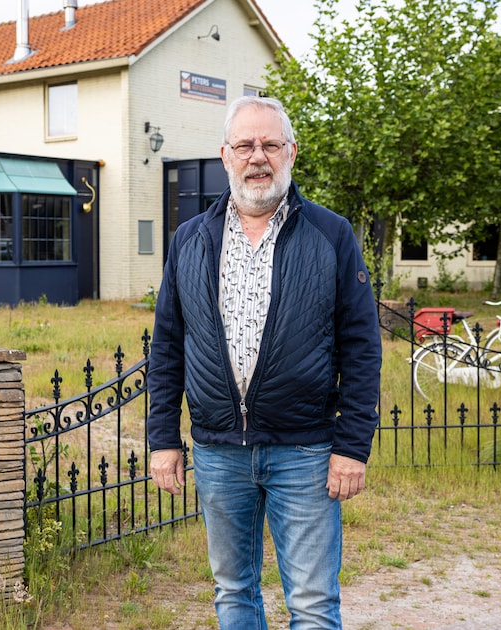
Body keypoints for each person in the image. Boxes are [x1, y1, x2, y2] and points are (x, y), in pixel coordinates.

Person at [146, 95, 383, 629]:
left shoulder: (331, 234)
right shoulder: (190, 239)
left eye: (270, 144)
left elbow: (363, 346)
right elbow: (166, 346)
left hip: (305, 451)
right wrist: (163, 438)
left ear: (291, 152)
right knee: (232, 593)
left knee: (313, 604)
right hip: (218, 452)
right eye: (245, 145)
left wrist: (351, 447)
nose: (258, 156)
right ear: (224, 155)